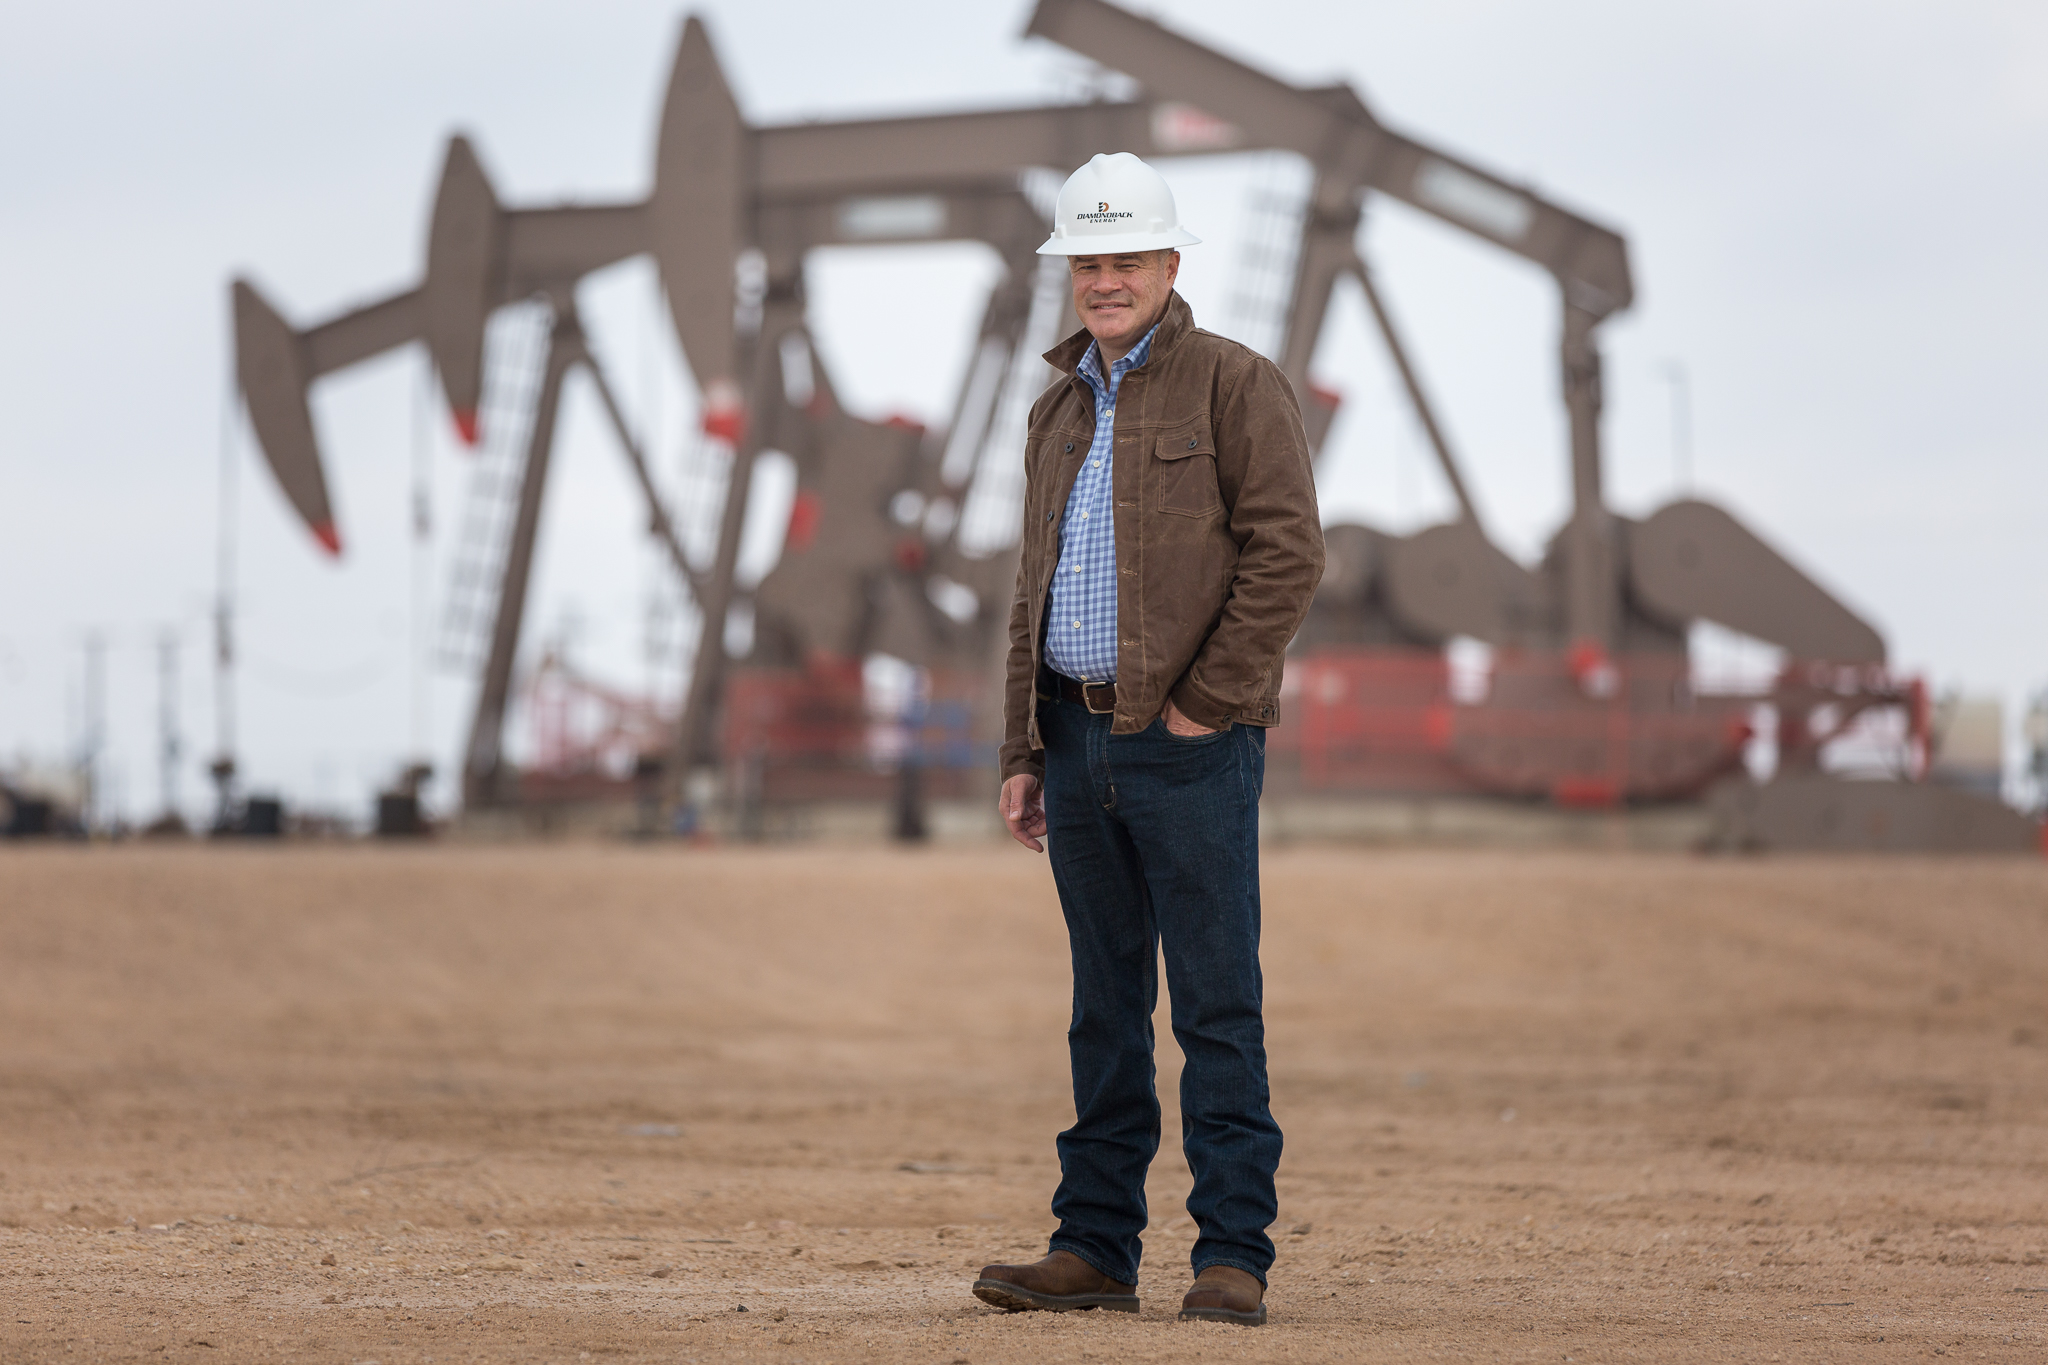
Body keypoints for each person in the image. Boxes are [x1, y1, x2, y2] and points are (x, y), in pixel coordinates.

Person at [970, 152, 1324, 1327]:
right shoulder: (1051, 412)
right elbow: (1034, 590)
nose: (1104, 279)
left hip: (1189, 748)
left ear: (1170, 265)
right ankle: (1093, 1251)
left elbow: (1286, 557)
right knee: (1101, 1007)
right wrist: (1022, 748)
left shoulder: (1235, 386)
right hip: (1073, 745)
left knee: (1215, 1004)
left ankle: (1231, 1256)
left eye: (1125, 258)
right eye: (1087, 261)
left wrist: (1201, 705)